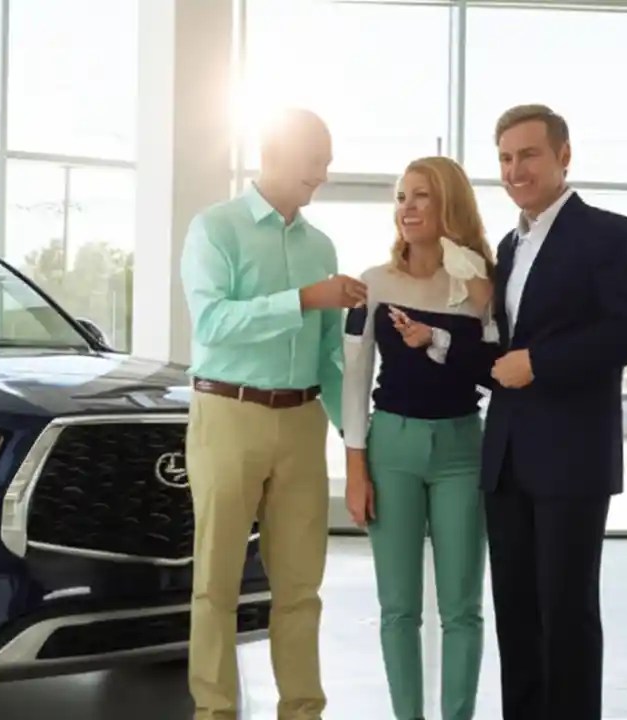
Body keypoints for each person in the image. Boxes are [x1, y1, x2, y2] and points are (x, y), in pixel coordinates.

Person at [179, 107, 366, 720]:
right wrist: (305, 298)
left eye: (327, 161)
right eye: (316, 159)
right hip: (227, 415)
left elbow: (329, 357)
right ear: (275, 153)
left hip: (303, 420)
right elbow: (212, 323)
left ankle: (303, 711)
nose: (324, 173)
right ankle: (214, 712)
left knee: (301, 587)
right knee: (216, 583)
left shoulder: (321, 246)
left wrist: (356, 440)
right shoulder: (216, 228)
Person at [481, 104, 627, 720]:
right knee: (516, 614)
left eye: (528, 155)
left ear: (563, 156)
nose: (515, 170)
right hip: (507, 457)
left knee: (566, 613)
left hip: (572, 456)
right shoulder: (509, 246)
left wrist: (541, 362)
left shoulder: (610, 233)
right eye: (506, 158)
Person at [342, 156, 496, 720]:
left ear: (448, 204)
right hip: (392, 449)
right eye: (401, 197)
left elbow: (493, 368)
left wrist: (441, 330)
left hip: (463, 450)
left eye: (421, 196)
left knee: (462, 609)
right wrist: (356, 469)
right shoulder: (374, 284)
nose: (407, 208)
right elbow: (354, 379)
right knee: (398, 608)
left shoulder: (478, 287)